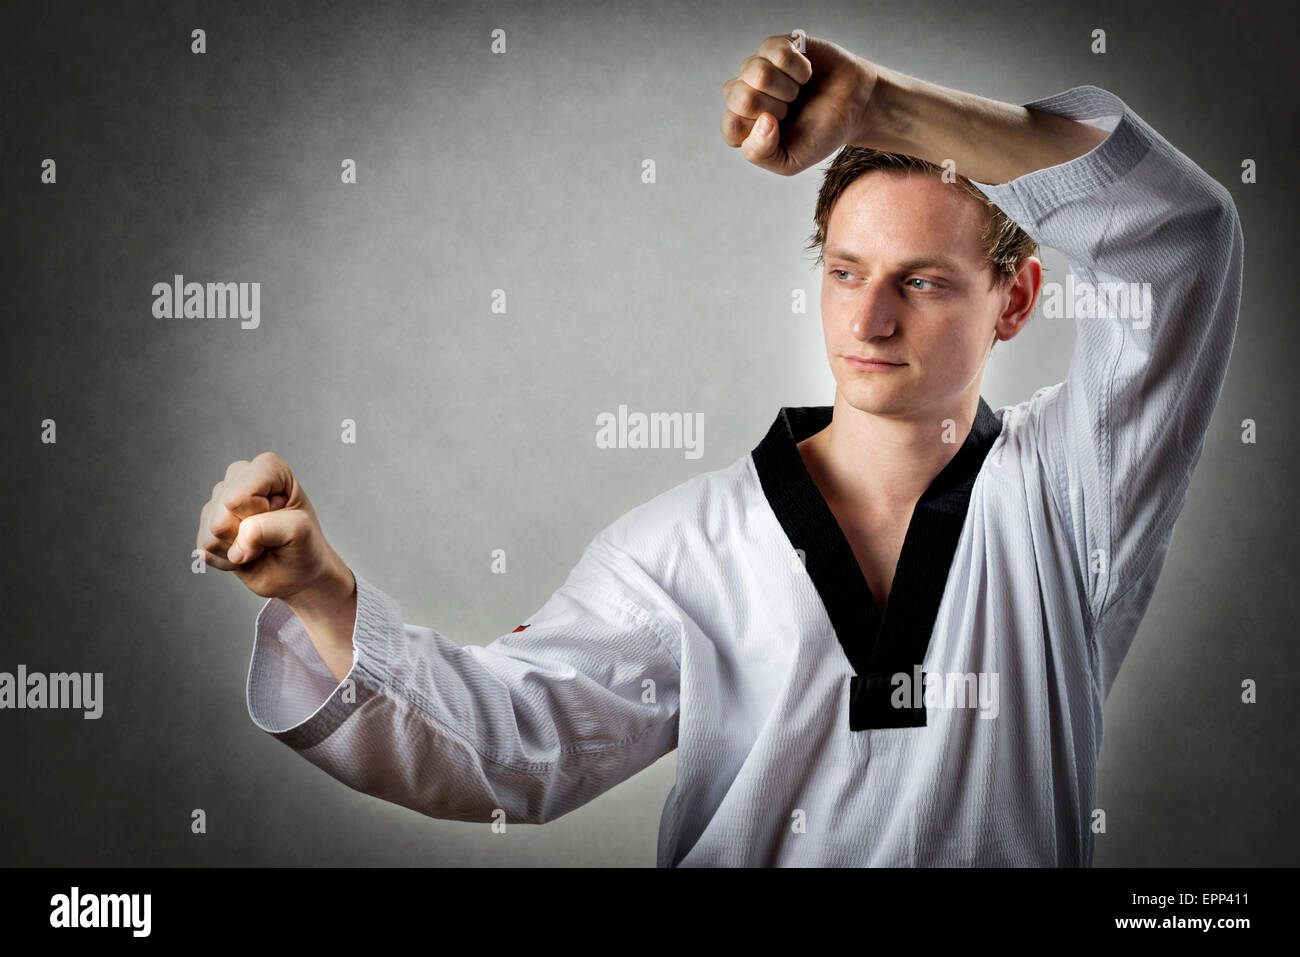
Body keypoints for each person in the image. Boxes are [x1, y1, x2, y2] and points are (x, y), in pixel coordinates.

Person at [196, 33, 1242, 866]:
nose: (869, 321)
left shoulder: (1071, 492)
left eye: (921, 281)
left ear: (1013, 300)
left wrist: (884, 107)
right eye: (845, 272)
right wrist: (325, 594)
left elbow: (1176, 239)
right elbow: (509, 751)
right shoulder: (682, 547)